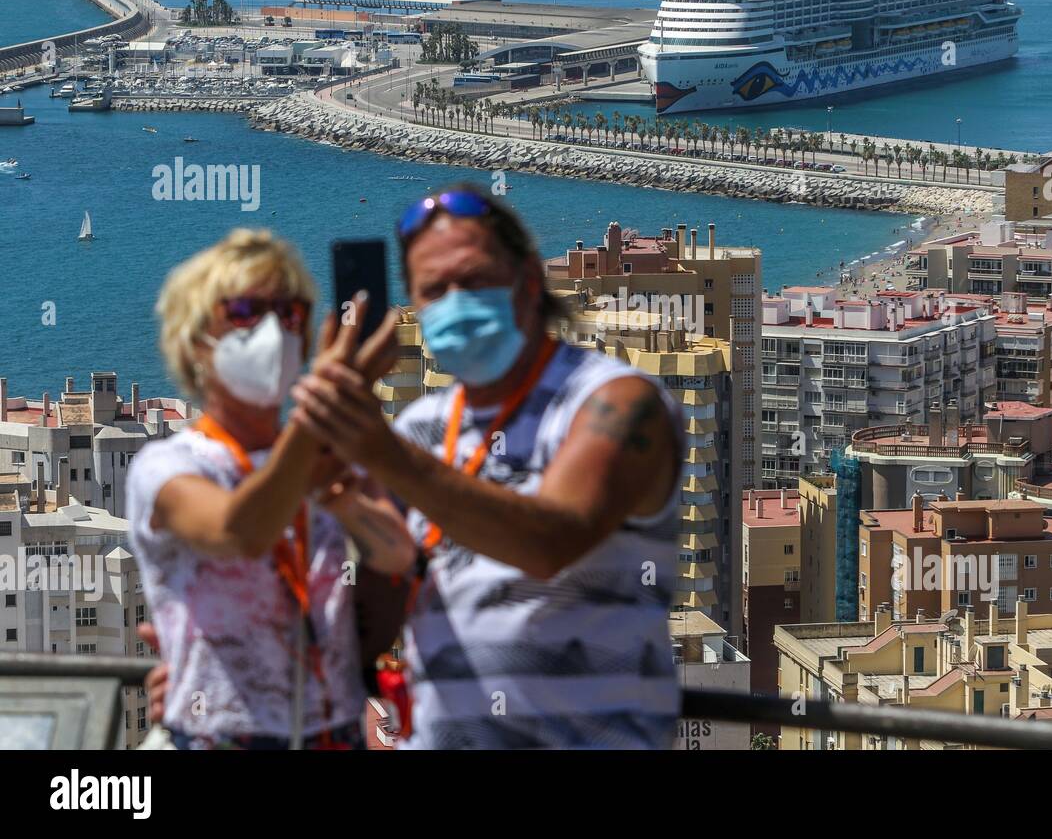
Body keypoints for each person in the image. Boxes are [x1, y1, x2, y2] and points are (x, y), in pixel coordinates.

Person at [292, 184, 685, 748]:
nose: (454, 301)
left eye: (473, 281)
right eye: (434, 291)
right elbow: (368, 630)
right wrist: (326, 488)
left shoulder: (616, 403)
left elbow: (552, 540)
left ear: (528, 282)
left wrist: (381, 452)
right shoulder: (417, 430)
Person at [126, 229, 411, 749]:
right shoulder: (166, 467)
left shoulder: (328, 464)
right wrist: (318, 412)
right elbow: (239, 531)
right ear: (194, 342)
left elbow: (378, 608)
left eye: (290, 312)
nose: (273, 330)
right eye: (243, 311)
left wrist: (357, 511)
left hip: (334, 734)